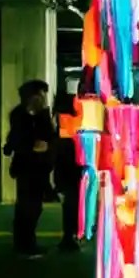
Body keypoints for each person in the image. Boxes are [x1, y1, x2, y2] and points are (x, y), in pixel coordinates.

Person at [4, 79, 54, 258]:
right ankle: (24, 243)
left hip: (40, 168)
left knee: (35, 207)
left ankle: (27, 242)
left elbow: (50, 136)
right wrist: (32, 146)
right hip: (26, 167)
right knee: (26, 207)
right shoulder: (19, 115)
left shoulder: (42, 115)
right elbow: (16, 140)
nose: (43, 99)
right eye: (40, 95)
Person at [52, 88, 82, 252]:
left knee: (69, 205)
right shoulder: (73, 123)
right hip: (74, 168)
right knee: (73, 204)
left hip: (66, 169)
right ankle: (71, 236)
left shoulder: (62, 124)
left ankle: (69, 236)